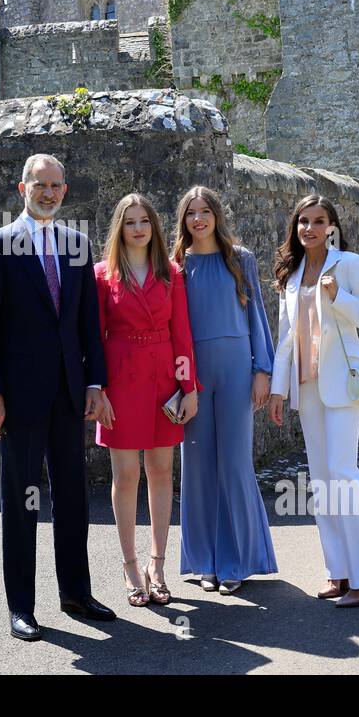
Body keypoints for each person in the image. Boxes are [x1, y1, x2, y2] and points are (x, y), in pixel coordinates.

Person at [0, 153, 116, 642]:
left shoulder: (78, 245)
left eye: (56, 186)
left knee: (72, 496)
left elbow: (88, 324)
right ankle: (22, 608)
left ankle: (76, 592)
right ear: (22, 188)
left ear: (65, 191)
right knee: (22, 501)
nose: (48, 193)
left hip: (70, 394)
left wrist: (95, 383)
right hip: (19, 398)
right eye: (40, 185)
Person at [267, 195, 359, 608]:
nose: (310, 228)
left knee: (342, 472)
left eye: (319, 221)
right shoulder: (293, 273)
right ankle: (338, 571)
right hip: (307, 386)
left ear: (332, 227)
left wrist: (339, 298)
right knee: (321, 480)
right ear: (295, 227)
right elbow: (286, 337)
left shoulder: (349, 265)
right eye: (303, 221)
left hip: (345, 384)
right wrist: (279, 389)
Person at [92, 194, 200, 607]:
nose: (138, 229)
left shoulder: (171, 273)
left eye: (145, 222)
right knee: (125, 476)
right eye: (130, 222)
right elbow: (94, 338)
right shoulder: (102, 275)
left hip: (163, 379)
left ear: (155, 227)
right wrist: (97, 389)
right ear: (119, 229)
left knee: (160, 471)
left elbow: (183, 334)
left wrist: (189, 387)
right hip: (120, 380)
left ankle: (158, 564)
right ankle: (130, 565)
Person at [173, 186, 277, 596]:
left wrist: (262, 370)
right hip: (194, 374)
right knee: (197, 466)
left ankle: (238, 560)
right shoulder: (176, 265)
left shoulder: (241, 259)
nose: (198, 219)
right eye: (191, 213)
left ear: (217, 214)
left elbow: (257, 315)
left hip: (237, 369)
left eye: (205, 211)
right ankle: (204, 561)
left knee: (234, 464)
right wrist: (180, 382)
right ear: (183, 220)